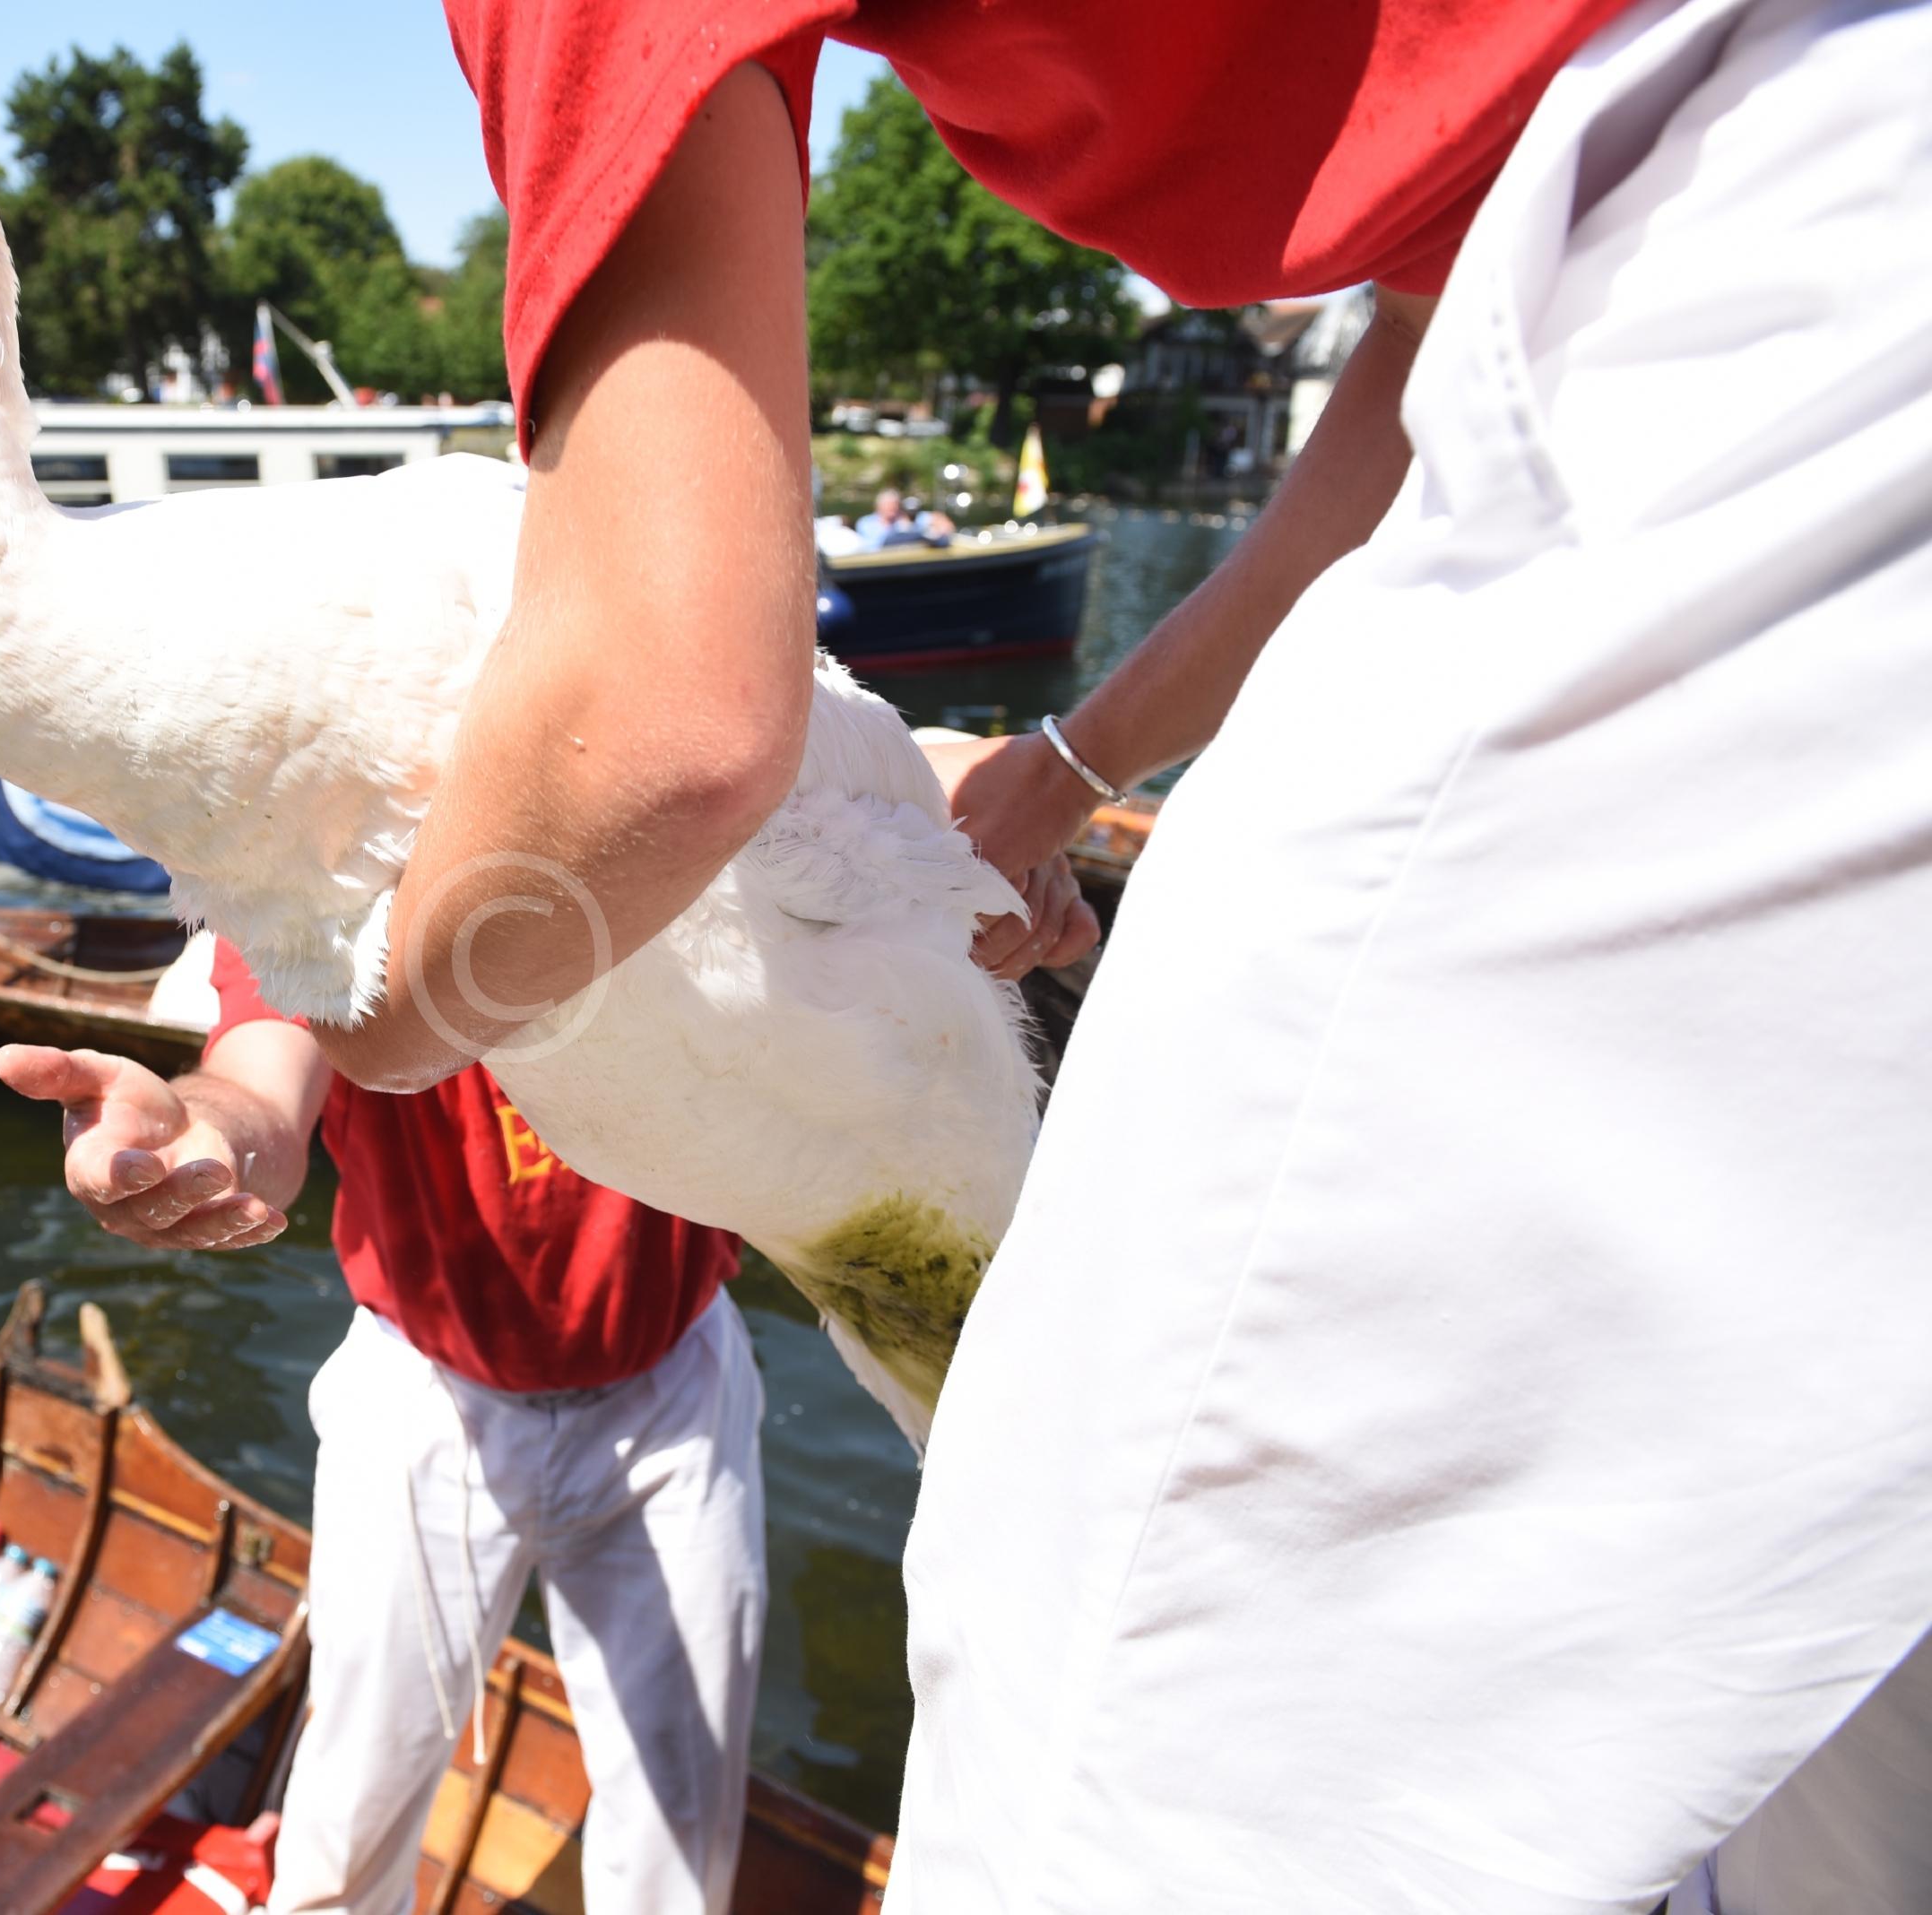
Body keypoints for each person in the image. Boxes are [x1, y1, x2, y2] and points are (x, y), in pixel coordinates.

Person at [299, 0, 1932, 1908]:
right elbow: (1434, 363)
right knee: (1835, 1736)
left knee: (1105, 1700)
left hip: (1749, 361)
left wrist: (377, 1009)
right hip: (1797, 270)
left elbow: (663, 713)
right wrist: (1064, 768)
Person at [0, 936, 765, 1915]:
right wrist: (207, 1136)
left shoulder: (694, 847)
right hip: (428, 1391)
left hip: (674, 1376)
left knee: (683, 1800)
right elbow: (262, 1084)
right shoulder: (332, 872)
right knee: (361, 1780)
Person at [854, 485, 952, 550]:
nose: (892, 509)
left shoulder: (906, 518)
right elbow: (878, 545)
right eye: (888, 505)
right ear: (878, 506)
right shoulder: (866, 523)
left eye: (895, 505)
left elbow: (939, 519)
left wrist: (940, 531)